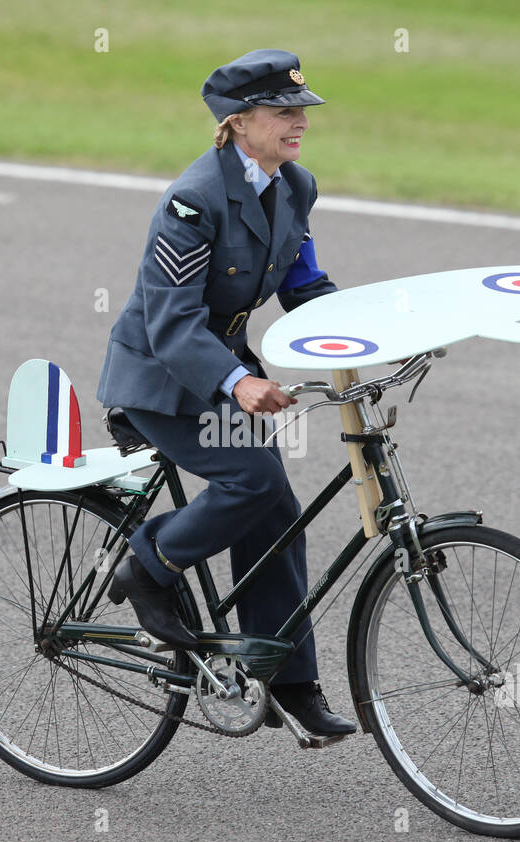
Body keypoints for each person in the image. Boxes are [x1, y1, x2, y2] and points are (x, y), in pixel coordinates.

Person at [97, 49, 355, 737]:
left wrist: (370, 335)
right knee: (253, 478)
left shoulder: (295, 187)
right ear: (239, 123)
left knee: (276, 510)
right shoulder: (192, 201)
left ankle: (285, 680)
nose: (300, 122)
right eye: (283, 112)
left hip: (217, 377)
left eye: (302, 109)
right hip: (159, 381)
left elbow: (305, 287)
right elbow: (172, 323)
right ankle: (149, 566)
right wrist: (239, 382)